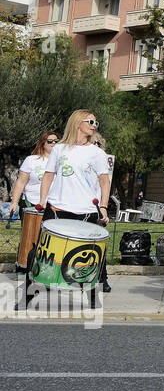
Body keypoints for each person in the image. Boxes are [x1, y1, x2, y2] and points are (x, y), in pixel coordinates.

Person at [36, 111, 112, 297]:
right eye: (91, 121)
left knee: (88, 255)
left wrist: (103, 206)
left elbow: (104, 181)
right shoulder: (59, 149)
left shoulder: (97, 153)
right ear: (78, 123)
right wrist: (42, 200)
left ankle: (93, 295)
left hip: (85, 211)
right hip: (57, 208)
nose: (94, 125)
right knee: (45, 255)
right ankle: (36, 291)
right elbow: (48, 176)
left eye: (96, 122)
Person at [10, 129, 56, 275]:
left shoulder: (60, 161)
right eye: (50, 141)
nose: (53, 144)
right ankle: (23, 266)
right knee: (29, 236)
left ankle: (43, 268)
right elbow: (21, 182)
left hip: (53, 204)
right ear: (43, 143)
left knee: (48, 239)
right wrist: (14, 202)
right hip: (31, 203)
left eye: (56, 141)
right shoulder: (32, 160)